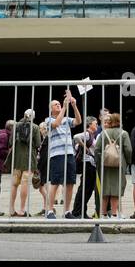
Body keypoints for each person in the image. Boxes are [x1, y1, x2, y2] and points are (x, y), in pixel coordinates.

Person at [43, 89, 82, 219]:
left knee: (70, 182)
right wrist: (65, 107)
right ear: (50, 109)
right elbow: (56, 123)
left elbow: (78, 121)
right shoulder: (48, 119)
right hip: (57, 154)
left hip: (69, 153)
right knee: (55, 182)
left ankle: (67, 211)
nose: (58, 105)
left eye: (59, 103)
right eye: (56, 104)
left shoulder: (66, 118)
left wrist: (74, 105)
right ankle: (49, 210)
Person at [93, 112, 134, 218]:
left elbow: (97, 148)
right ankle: (115, 213)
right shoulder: (124, 133)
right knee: (116, 189)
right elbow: (128, 149)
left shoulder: (104, 133)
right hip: (119, 165)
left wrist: (100, 160)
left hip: (105, 165)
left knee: (105, 188)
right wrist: (128, 162)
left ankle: (103, 213)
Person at [9, 110, 40, 217]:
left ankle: (12, 210)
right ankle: (22, 210)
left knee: (14, 184)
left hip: (17, 159)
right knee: (25, 183)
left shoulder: (16, 125)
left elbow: (10, 142)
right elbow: (38, 143)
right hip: (29, 159)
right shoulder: (35, 127)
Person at [76, 118, 101, 218]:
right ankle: (77, 212)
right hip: (87, 164)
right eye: (95, 123)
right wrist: (85, 146)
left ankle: (82, 211)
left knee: (88, 189)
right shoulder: (87, 134)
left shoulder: (91, 135)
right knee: (85, 189)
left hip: (91, 164)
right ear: (90, 124)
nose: (97, 125)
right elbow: (76, 137)